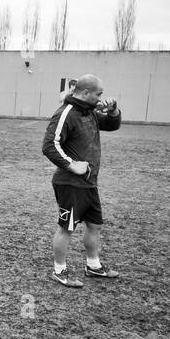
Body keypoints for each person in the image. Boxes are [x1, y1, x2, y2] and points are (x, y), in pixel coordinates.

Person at [42, 74, 121, 287]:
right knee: (66, 228)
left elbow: (112, 125)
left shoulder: (90, 112)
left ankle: (93, 266)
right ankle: (59, 271)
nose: (100, 98)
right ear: (85, 93)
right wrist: (71, 164)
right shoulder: (65, 113)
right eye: (98, 94)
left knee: (94, 225)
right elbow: (50, 145)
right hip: (69, 183)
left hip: (88, 183)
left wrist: (113, 112)